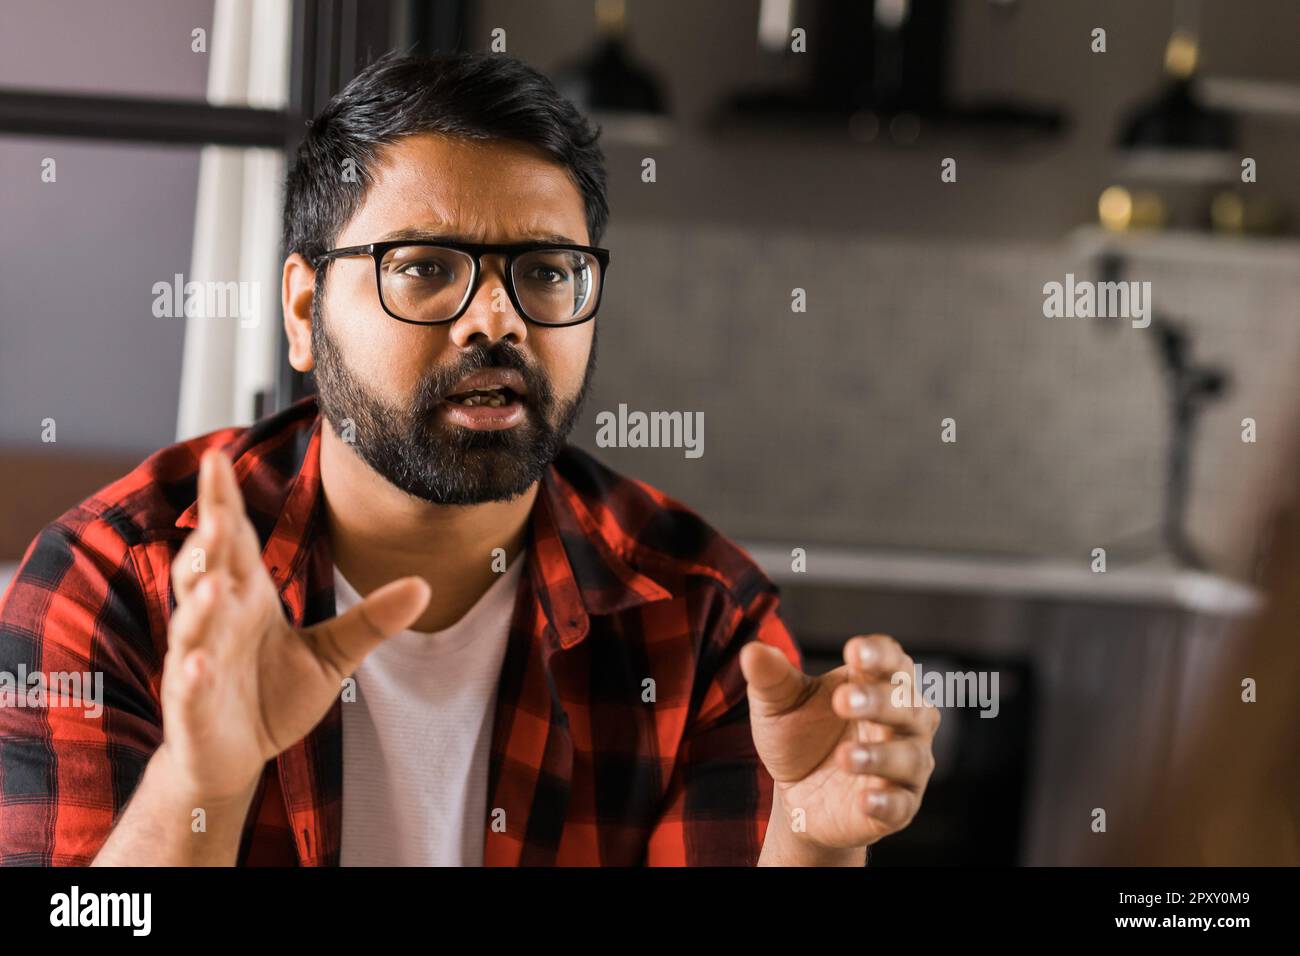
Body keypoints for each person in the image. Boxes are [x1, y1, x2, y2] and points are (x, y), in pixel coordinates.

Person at [0, 53, 937, 866]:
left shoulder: (700, 620)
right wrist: (200, 783)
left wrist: (813, 841)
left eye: (545, 272)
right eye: (424, 267)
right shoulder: (117, 584)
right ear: (301, 309)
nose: (498, 319)